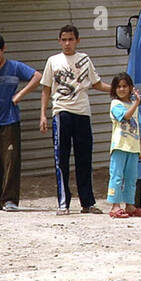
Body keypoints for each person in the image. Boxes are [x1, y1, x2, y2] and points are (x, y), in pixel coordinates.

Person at [40, 24, 112, 214]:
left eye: (71, 39)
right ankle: (63, 202)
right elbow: (46, 88)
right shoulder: (53, 61)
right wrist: (43, 115)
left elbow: (96, 84)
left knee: (84, 159)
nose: (67, 43)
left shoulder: (85, 60)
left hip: (82, 112)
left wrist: (119, 90)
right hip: (61, 112)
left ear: (77, 40)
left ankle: (87, 202)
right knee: (61, 159)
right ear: (59, 41)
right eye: (64, 39)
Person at [0, 34, 42, 211]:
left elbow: (37, 77)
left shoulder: (15, 66)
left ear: (3, 49)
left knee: (10, 160)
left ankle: (9, 199)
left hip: (9, 120)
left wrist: (20, 94)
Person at [106, 73, 141, 218]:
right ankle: (115, 206)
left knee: (131, 177)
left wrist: (140, 144)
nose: (122, 89)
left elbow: (136, 125)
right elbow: (126, 116)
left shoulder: (133, 105)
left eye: (125, 86)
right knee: (117, 175)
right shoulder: (116, 104)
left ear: (130, 88)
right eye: (119, 86)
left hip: (133, 147)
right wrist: (136, 102)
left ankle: (129, 205)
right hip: (120, 146)